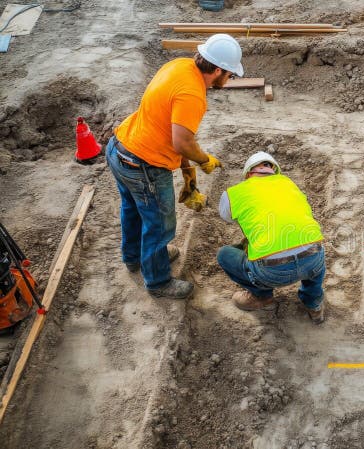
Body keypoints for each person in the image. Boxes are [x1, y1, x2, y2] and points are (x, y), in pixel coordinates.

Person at [107, 34, 244, 299]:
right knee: (159, 225)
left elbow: (168, 127)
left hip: (121, 148)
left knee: (133, 210)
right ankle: (158, 281)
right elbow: (182, 141)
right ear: (217, 70)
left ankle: (136, 258)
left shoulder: (179, 65)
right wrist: (203, 160)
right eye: (229, 75)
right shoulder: (193, 95)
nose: (228, 80)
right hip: (144, 165)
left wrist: (187, 170)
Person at [216, 152, 326, 324]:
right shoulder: (288, 183)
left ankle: (261, 297)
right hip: (313, 261)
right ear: (274, 171)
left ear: (248, 174)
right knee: (314, 248)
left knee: (224, 254)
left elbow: (226, 217)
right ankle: (314, 304)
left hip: (272, 273)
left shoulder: (234, 193)